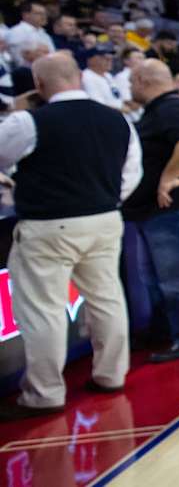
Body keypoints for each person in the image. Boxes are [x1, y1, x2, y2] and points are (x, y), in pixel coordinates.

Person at [0, 54, 139, 419]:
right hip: (106, 218)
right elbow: (131, 172)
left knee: (43, 308)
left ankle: (44, 394)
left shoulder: (29, 120)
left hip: (49, 224)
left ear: (39, 86)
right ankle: (111, 375)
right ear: (79, 77)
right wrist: (101, 199)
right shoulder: (118, 119)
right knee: (107, 298)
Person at [123, 60, 179, 362]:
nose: (129, 88)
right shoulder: (160, 109)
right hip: (156, 209)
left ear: (142, 80)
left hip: (174, 205)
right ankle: (166, 331)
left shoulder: (172, 107)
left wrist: (166, 178)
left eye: (131, 82)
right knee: (158, 276)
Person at [79, 43, 124, 109]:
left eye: (111, 58)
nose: (110, 60)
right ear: (90, 60)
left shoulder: (108, 75)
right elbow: (97, 104)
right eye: (105, 58)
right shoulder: (87, 77)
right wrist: (124, 109)